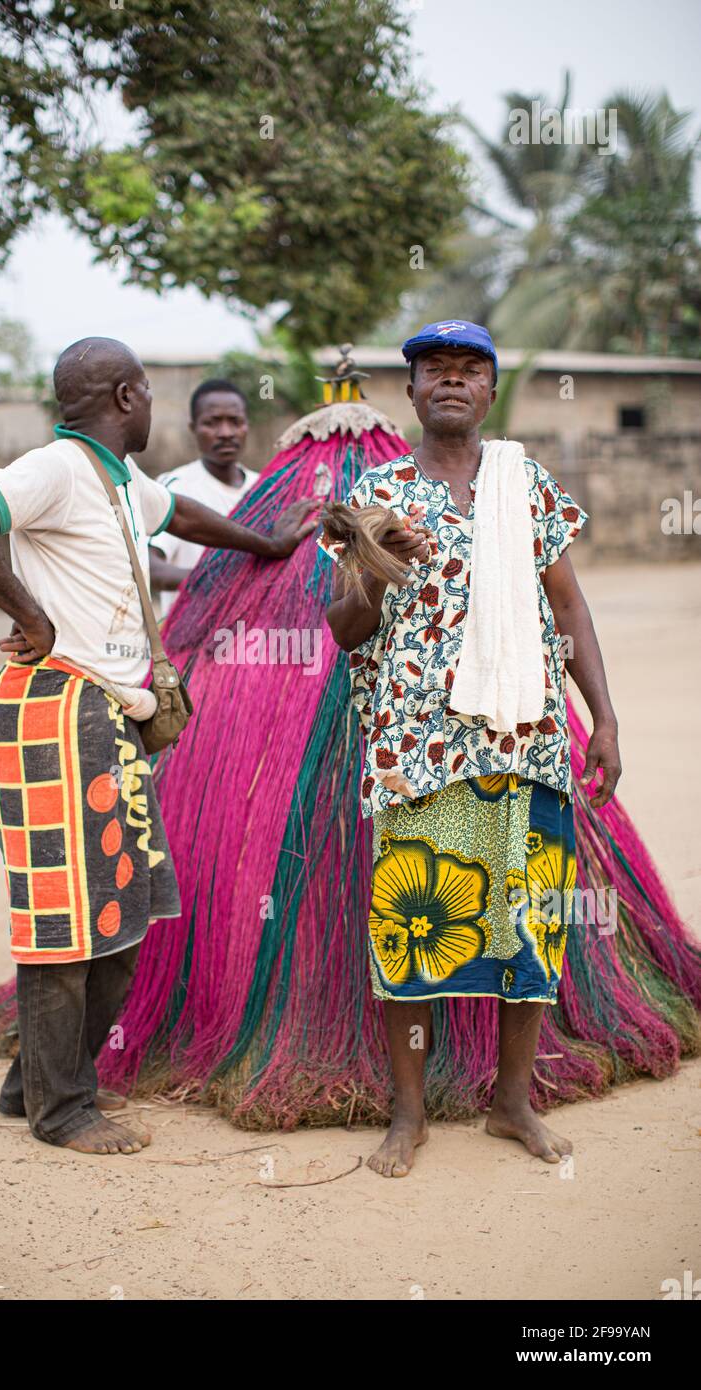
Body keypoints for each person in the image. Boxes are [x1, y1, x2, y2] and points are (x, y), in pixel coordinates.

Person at [0, 336, 316, 1156]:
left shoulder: (115, 481)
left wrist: (268, 544)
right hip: (58, 709)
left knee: (124, 907)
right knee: (71, 916)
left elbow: (183, 516)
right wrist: (32, 616)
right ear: (130, 397)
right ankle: (61, 1109)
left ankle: (31, 1082)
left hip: (102, 717)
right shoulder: (57, 469)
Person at [321, 320, 622, 1176]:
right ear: (411, 392)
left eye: (469, 371)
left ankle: (512, 1104)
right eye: (434, 372)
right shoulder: (375, 494)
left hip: (526, 740)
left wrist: (604, 718)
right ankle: (409, 1114)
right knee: (413, 930)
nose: (451, 383)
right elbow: (343, 630)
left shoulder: (526, 485)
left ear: (491, 390)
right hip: (416, 751)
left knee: (529, 928)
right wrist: (381, 561)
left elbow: (568, 610)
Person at [149, 378, 259, 617]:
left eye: (235, 422)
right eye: (211, 423)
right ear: (193, 428)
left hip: (255, 645)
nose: (226, 433)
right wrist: (224, 583)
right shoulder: (176, 487)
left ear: (247, 426)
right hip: (191, 646)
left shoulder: (266, 489)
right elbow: (150, 567)